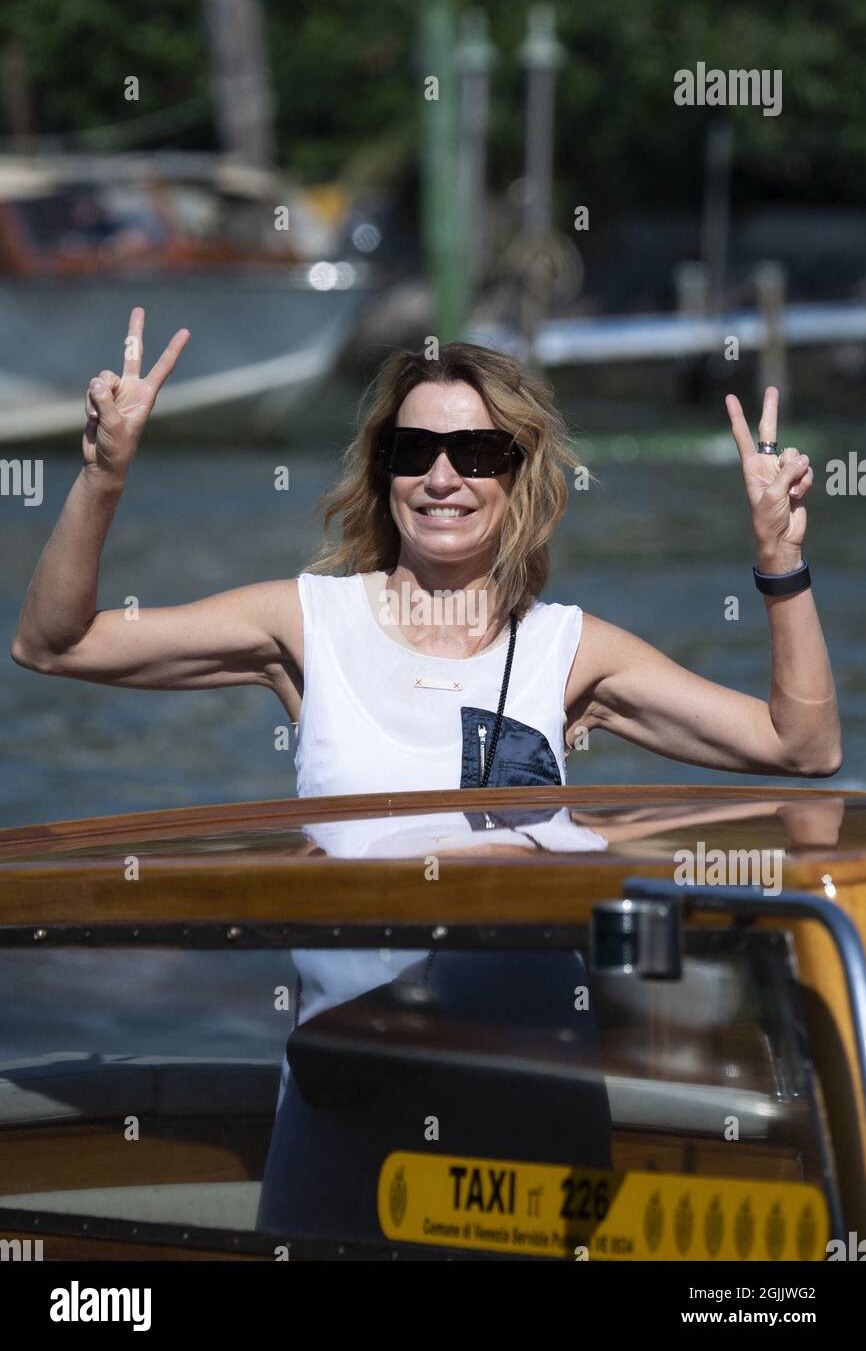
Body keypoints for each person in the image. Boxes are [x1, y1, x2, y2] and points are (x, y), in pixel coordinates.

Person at [11, 306, 843, 1245]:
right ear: (384, 470)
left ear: (519, 475)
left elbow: (802, 749)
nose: (442, 477)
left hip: (531, 1096)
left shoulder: (569, 649)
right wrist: (103, 474)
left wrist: (781, 562)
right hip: (348, 1093)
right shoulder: (306, 623)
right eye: (414, 451)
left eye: (477, 453)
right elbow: (55, 643)